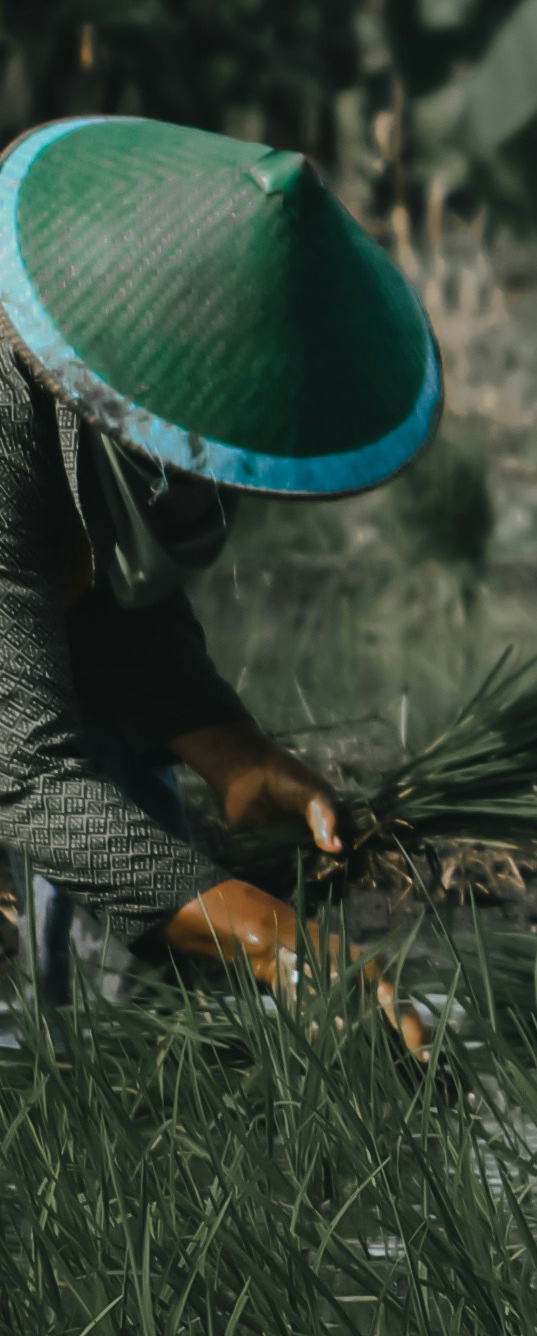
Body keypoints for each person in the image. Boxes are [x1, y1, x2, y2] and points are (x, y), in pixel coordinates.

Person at [0, 117, 445, 1054]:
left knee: (124, 810)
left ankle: (107, 1059)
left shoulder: (78, 409)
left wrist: (235, 755)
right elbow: (27, 773)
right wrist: (275, 939)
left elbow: (99, 593)